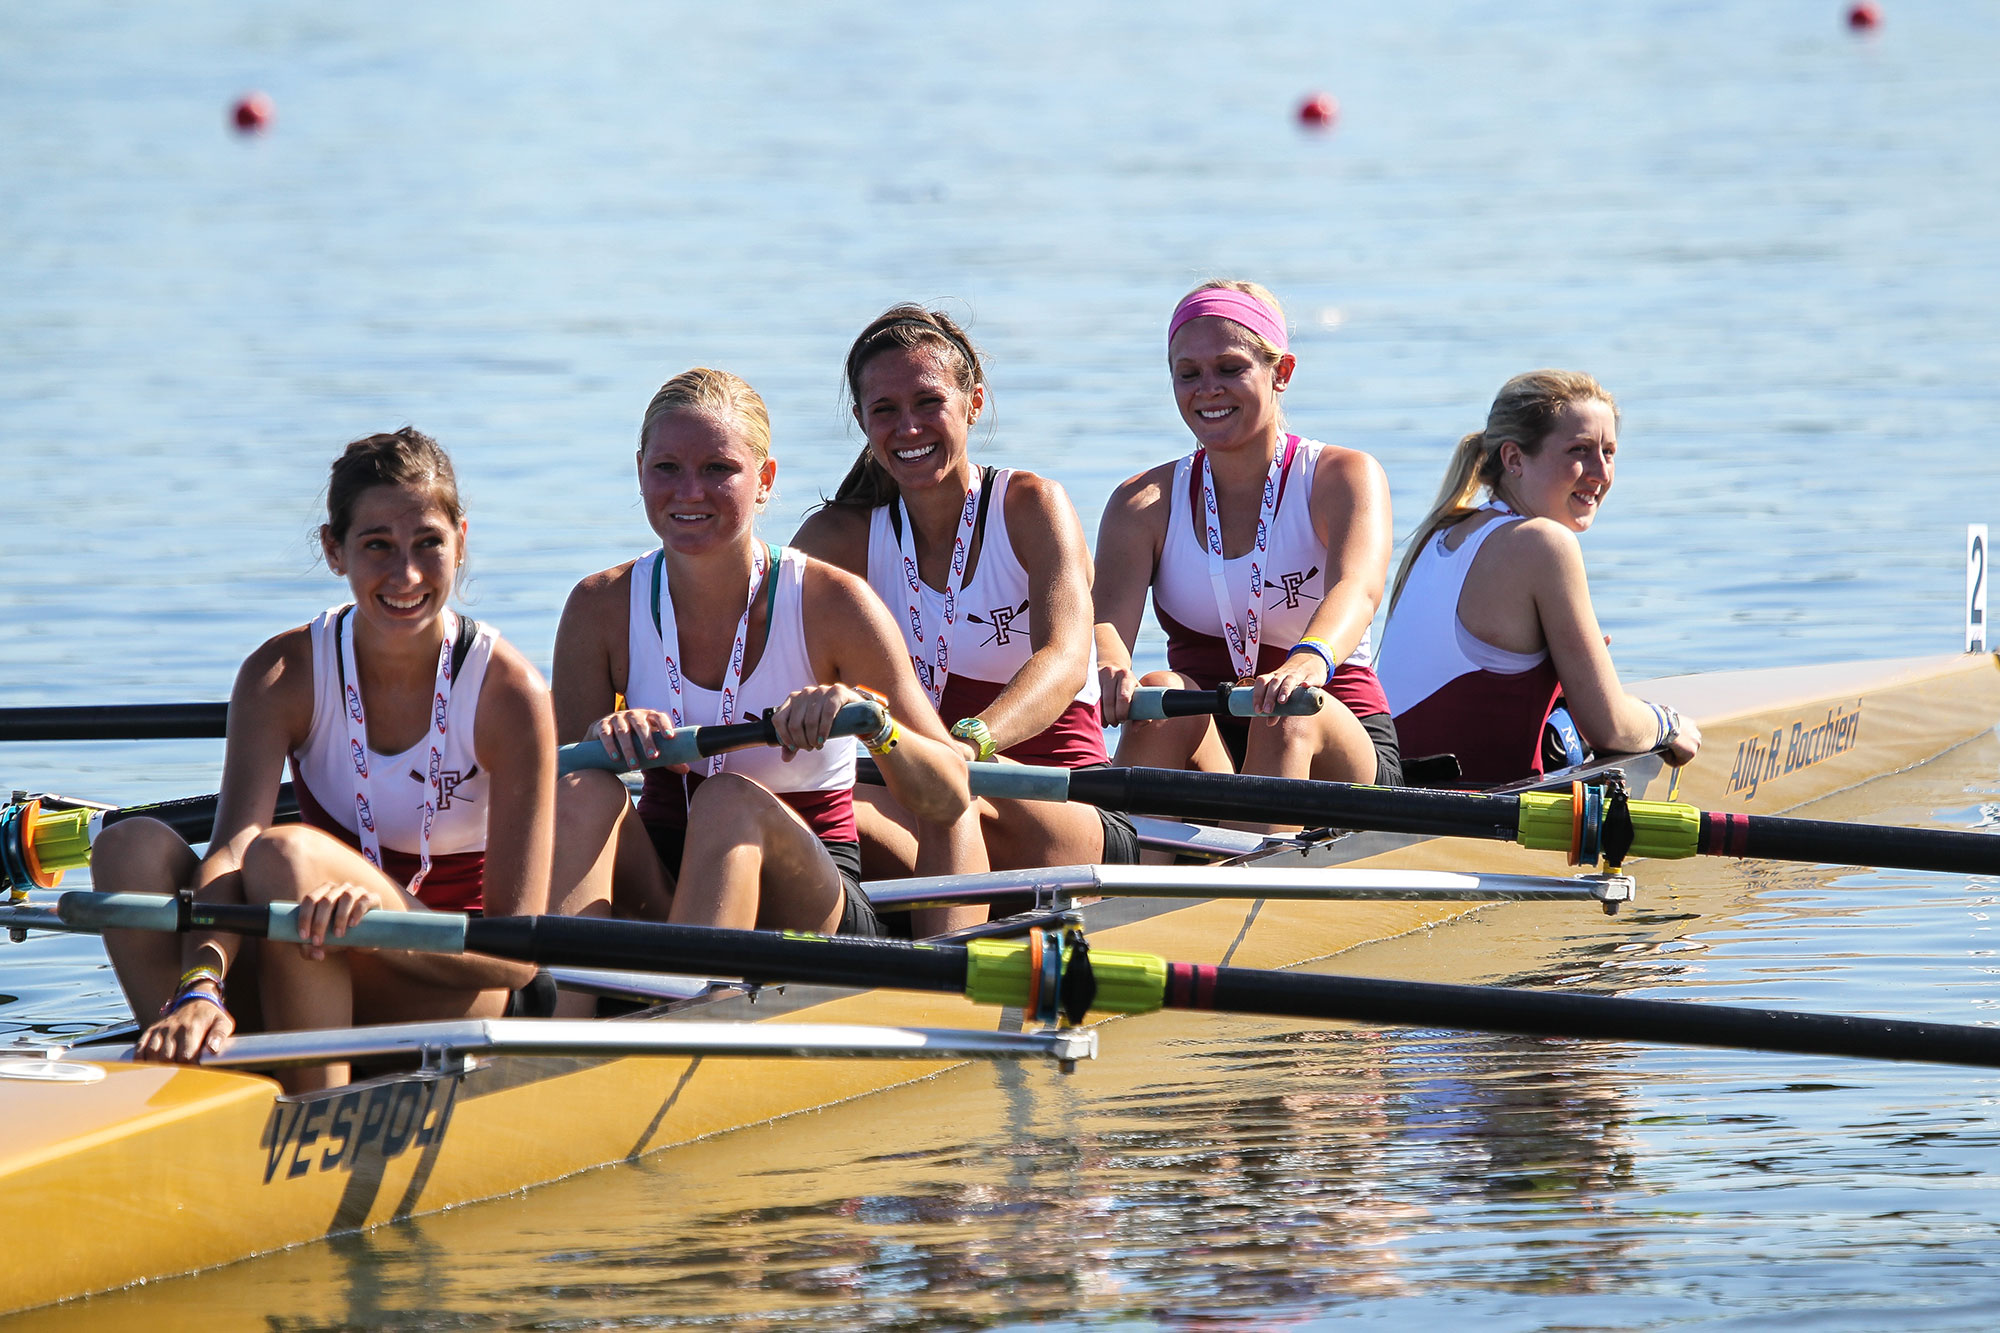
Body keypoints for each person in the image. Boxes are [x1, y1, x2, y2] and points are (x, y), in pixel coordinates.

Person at [97, 428, 558, 1093]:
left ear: (461, 540)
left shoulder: (509, 694)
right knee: (128, 848)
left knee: (289, 858)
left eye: (428, 542)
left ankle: (315, 1109)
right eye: (378, 545)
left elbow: (516, 959)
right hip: (314, 949)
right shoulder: (282, 674)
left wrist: (376, 925)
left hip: (457, 984)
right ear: (334, 549)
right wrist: (203, 979)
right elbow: (230, 850)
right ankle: (192, 1064)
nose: (406, 575)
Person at [547, 367, 970, 956]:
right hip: (666, 876)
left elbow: (951, 794)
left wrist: (874, 725)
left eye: (718, 469)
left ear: (765, 480)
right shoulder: (599, 606)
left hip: (810, 900)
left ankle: (679, 1001)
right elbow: (546, 800)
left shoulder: (833, 604)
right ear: (640, 471)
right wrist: (599, 740)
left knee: (727, 798)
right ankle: (563, 1010)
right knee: (579, 789)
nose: (689, 491)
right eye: (667, 467)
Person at [793, 306, 1137, 928]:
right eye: (885, 410)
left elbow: (1064, 660)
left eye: (929, 402)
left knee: (939, 789)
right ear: (862, 422)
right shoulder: (836, 539)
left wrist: (968, 744)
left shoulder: (1031, 506)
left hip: (1061, 806)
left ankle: (937, 963)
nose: (908, 427)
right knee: (791, 814)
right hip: (916, 797)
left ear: (973, 402)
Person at [1093, 281, 1402, 805]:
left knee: (1286, 710)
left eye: (1230, 368)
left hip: (1331, 734)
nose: (1208, 389)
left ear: (1282, 373)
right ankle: (1135, 854)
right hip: (1211, 737)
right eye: (1188, 374)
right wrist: (1107, 665)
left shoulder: (1342, 476)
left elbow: (1358, 588)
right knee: (1159, 688)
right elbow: (1105, 624)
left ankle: (1242, 854)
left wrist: (1309, 659)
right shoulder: (1140, 502)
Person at [1374, 369, 1702, 785]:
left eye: (1609, 452)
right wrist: (1668, 724)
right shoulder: (1543, 543)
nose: (1601, 473)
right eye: (1579, 450)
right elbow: (1610, 728)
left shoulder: (1441, 533)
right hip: (1473, 811)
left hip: (1395, 795)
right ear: (1514, 459)